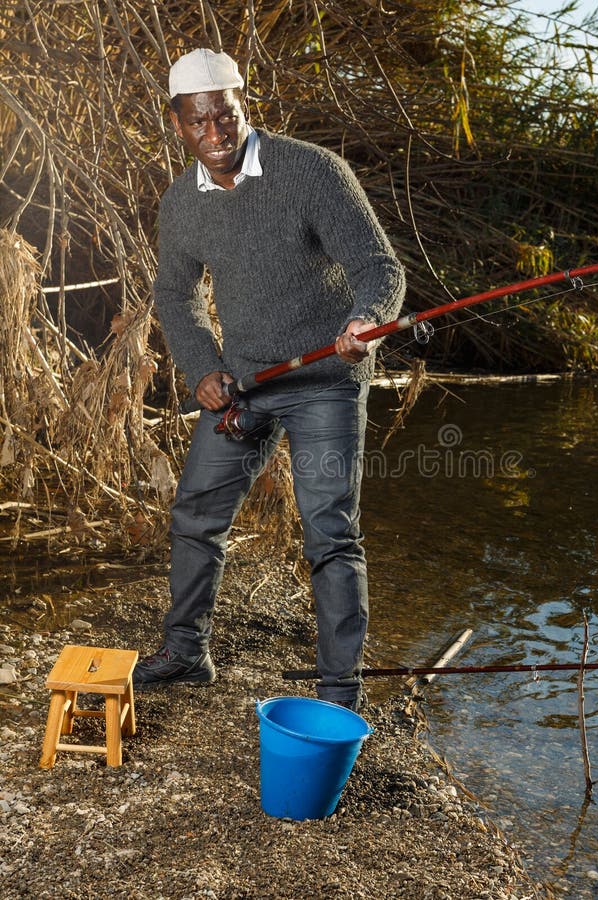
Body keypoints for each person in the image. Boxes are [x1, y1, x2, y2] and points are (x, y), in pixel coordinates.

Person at [133, 48, 405, 711]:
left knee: (329, 533)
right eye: (199, 123)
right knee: (196, 514)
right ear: (178, 125)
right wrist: (203, 369)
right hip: (246, 381)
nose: (216, 135)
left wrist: (366, 320)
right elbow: (176, 299)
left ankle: (339, 691)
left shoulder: (311, 171)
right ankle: (186, 651)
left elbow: (380, 268)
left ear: (240, 104)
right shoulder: (181, 205)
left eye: (225, 116)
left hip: (326, 380)